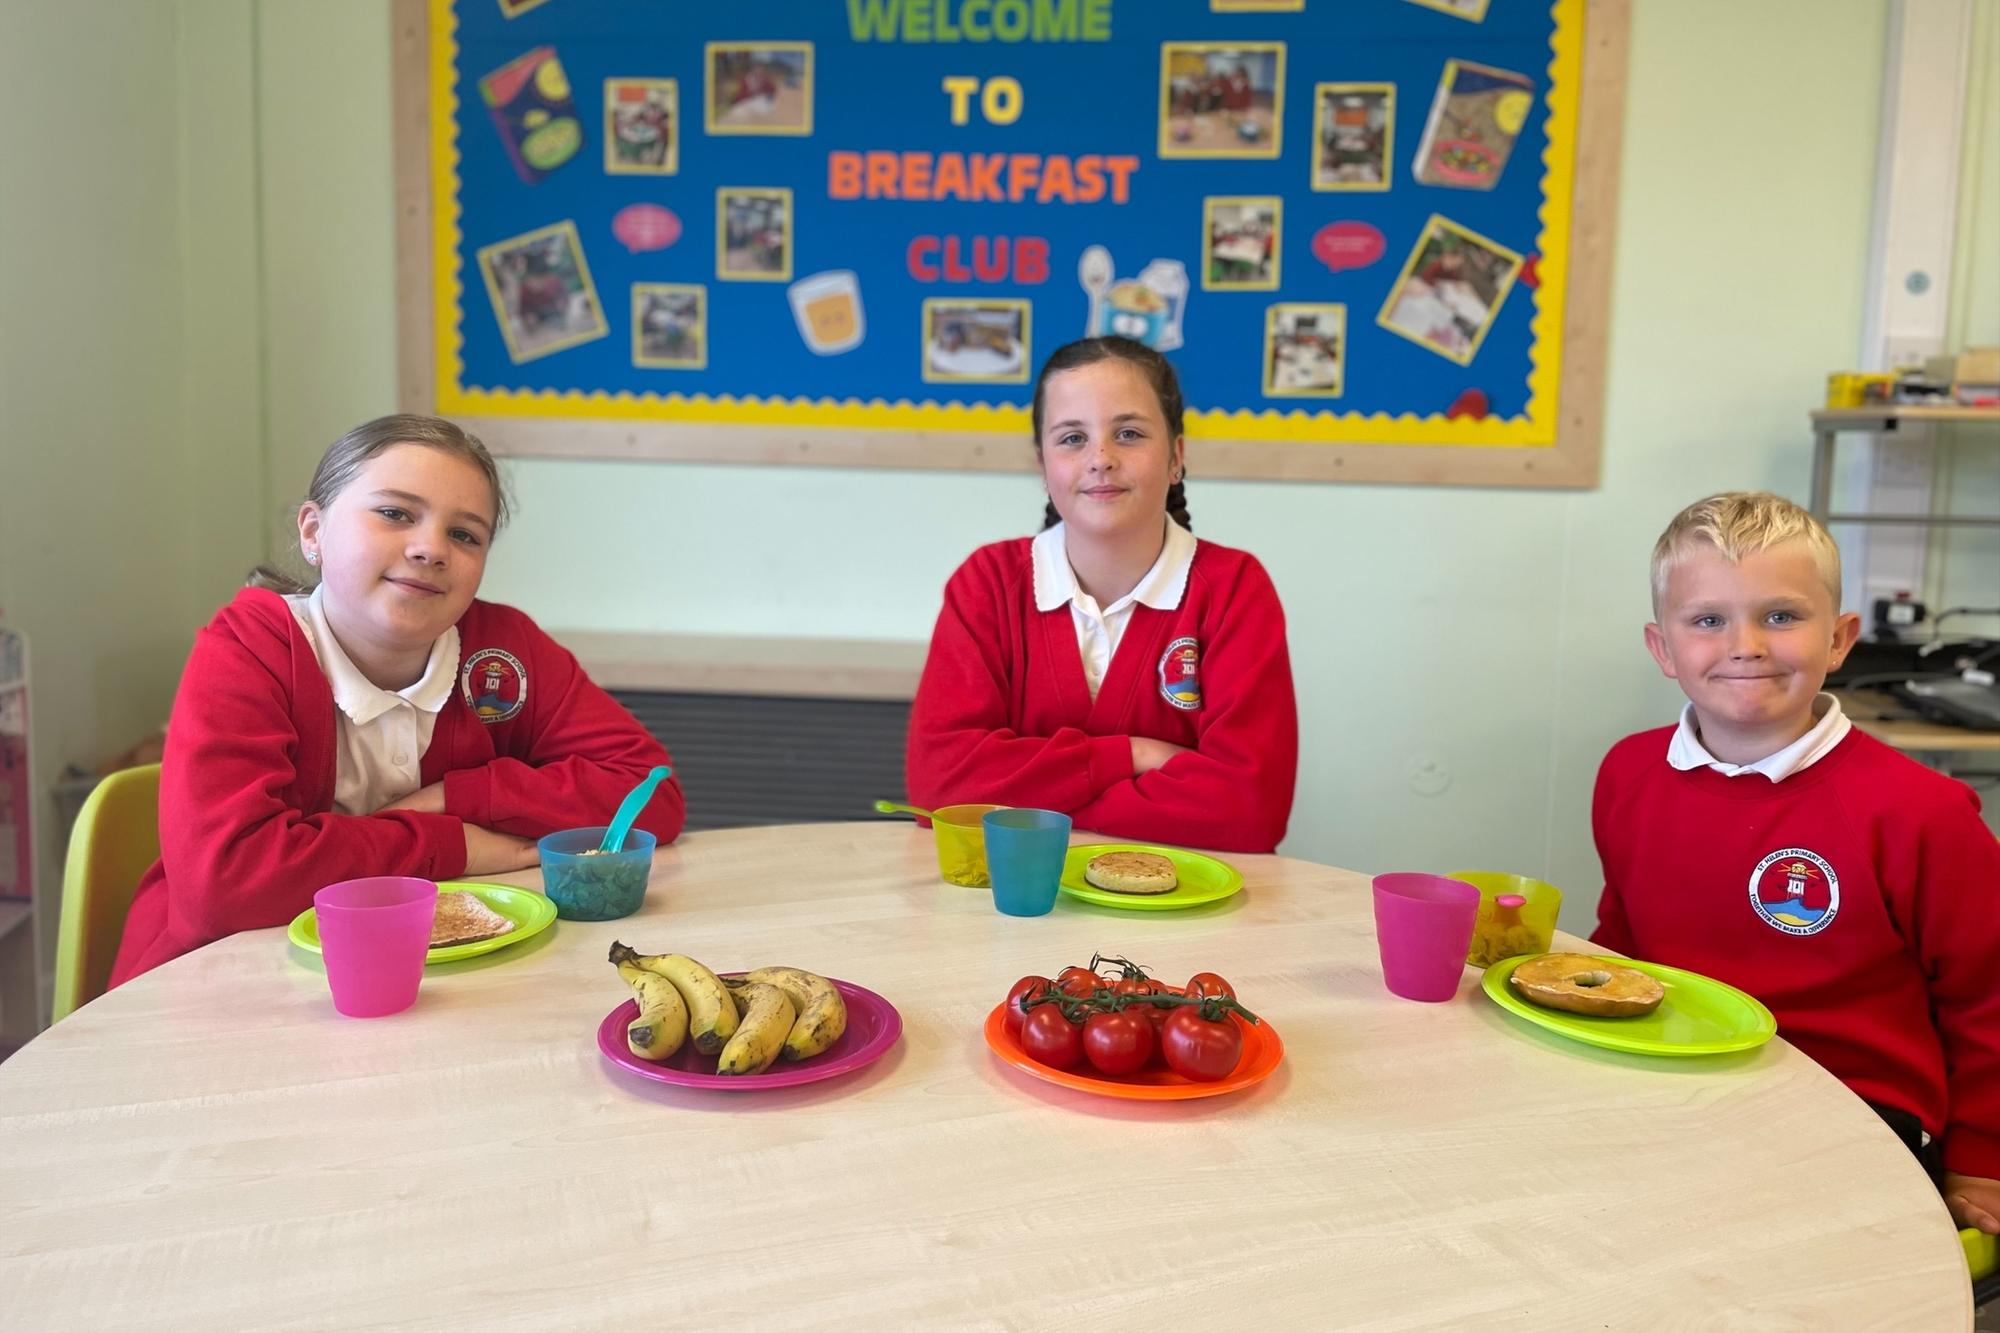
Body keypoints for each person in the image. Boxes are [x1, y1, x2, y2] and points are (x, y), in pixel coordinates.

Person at [109, 415, 683, 985]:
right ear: (314, 532)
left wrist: (454, 796)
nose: (431, 549)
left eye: (464, 535)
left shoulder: (506, 650)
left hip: (440, 978)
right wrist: (455, 845)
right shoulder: (247, 649)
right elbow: (228, 882)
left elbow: (651, 794)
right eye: (395, 514)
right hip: (218, 988)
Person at [1591, 491, 2000, 1235]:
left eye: (1780, 615)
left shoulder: (1924, 813)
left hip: (1858, 1107)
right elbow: (1621, 940)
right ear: (1662, 649)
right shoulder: (1627, 772)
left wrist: (1982, 1157)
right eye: (1708, 620)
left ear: (1840, 638)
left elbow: (1987, 997)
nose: (1745, 643)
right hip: (1668, 1081)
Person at [905, 336, 1297, 853]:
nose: (1101, 459)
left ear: (1176, 456)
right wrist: (1133, 755)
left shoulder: (1234, 589)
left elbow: (1250, 810)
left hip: (1186, 919)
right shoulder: (988, 583)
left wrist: (1035, 804)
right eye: (1071, 439)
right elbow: (941, 785)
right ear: (1042, 465)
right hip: (1019, 909)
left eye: (1129, 433)